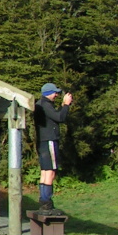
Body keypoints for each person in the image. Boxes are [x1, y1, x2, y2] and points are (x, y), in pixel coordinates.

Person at [34, 82, 73, 215]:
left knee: (45, 172)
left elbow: (54, 116)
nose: (56, 95)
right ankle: (47, 204)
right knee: (50, 172)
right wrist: (66, 105)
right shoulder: (45, 105)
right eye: (55, 92)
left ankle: (43, 202)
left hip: (42, 141)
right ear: (48, 93)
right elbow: (60, 117)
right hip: (49, 140)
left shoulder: (40, 104)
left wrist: (62, 107)